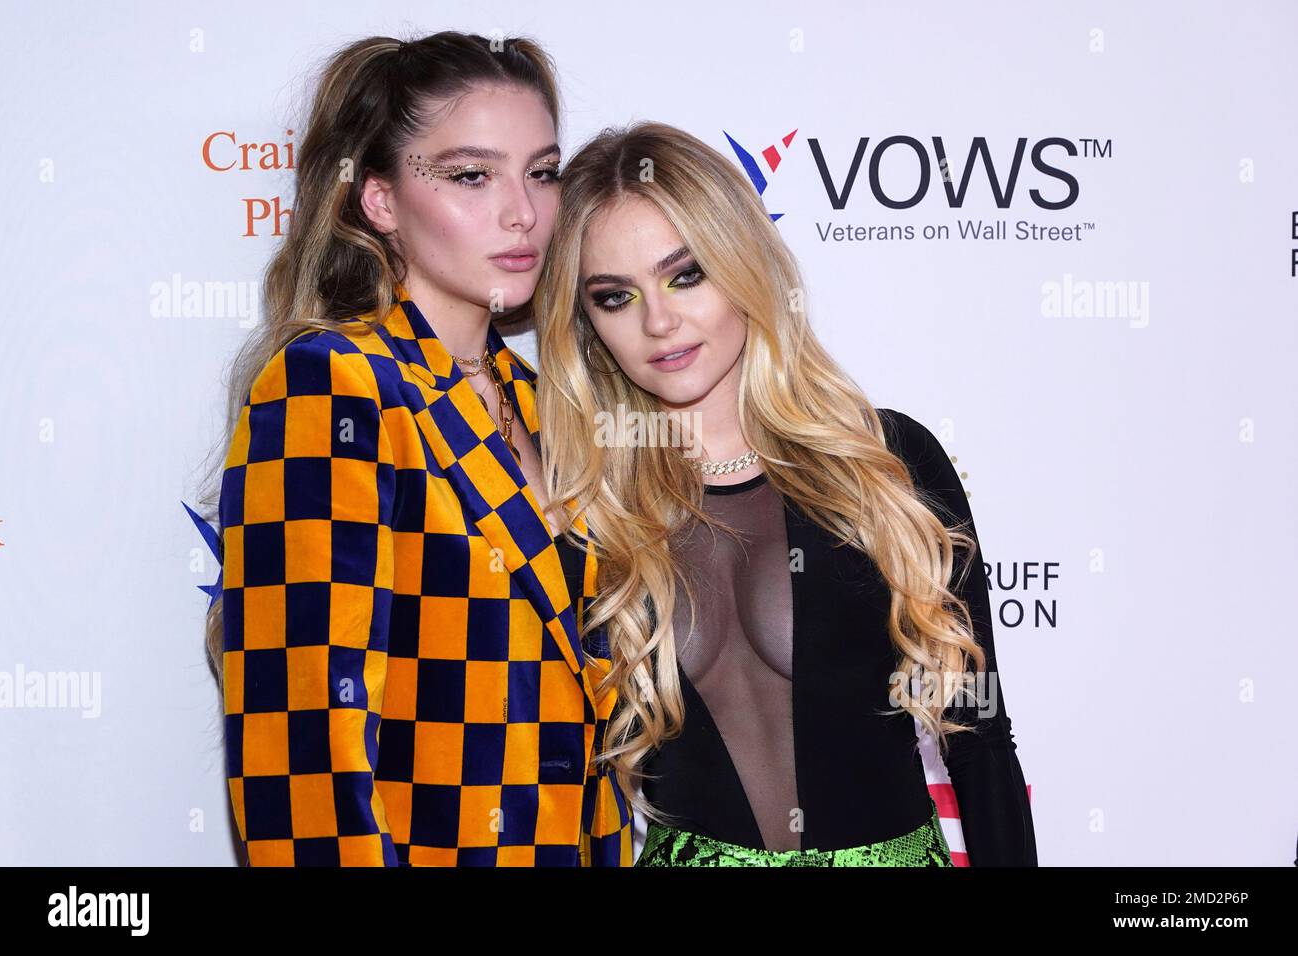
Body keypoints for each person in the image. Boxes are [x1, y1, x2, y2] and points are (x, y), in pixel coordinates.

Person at [531, 121, 1038, 866]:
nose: (659, 321)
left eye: (686, 274)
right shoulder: (582, 502)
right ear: (586, 323)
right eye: (614, 296)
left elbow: (979, 740)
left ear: (742, 263)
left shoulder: (885, 462)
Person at [198, 32, 632, 867]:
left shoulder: (547, 405)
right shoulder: (334, 386)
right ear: (380, 201)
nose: (523, 212)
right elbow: (304, 746)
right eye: (471, 175)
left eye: (541, 172)